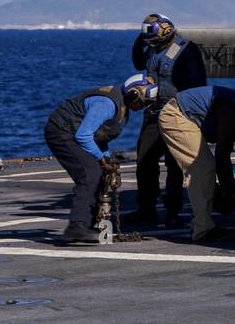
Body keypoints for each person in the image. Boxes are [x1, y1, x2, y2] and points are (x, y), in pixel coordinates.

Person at [44, 73, 157, 245]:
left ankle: (90, 224)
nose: (143, 106)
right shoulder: (107, 104)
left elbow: (100, 136)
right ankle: (77, 227)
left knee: (99, 173)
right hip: (61, 132)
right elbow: (83, 135)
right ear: (133, 94)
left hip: (72, 133)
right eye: (143, 101)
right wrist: (101, 160)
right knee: (89, 174)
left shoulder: (122, 108)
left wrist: (105, 160)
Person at [157, 85, 235, 243]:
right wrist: (232, 192)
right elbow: (222, 156)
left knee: (203, 168)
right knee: (201, 167)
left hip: (186, 114)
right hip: (176, 115)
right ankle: (202, 229)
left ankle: (204, 214)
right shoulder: (230, 113)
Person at [128, 14, 207, 228]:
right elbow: (139, 63)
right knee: (144, 161)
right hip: (153, 114)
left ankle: (173, 212)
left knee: (174, 165)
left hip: (177, 113)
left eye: (153, 40)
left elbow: (196, 83)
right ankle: (146, 209)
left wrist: (163, 91)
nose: (151, 45)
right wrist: (140, 39)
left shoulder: (187, 50)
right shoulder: (153, 46)